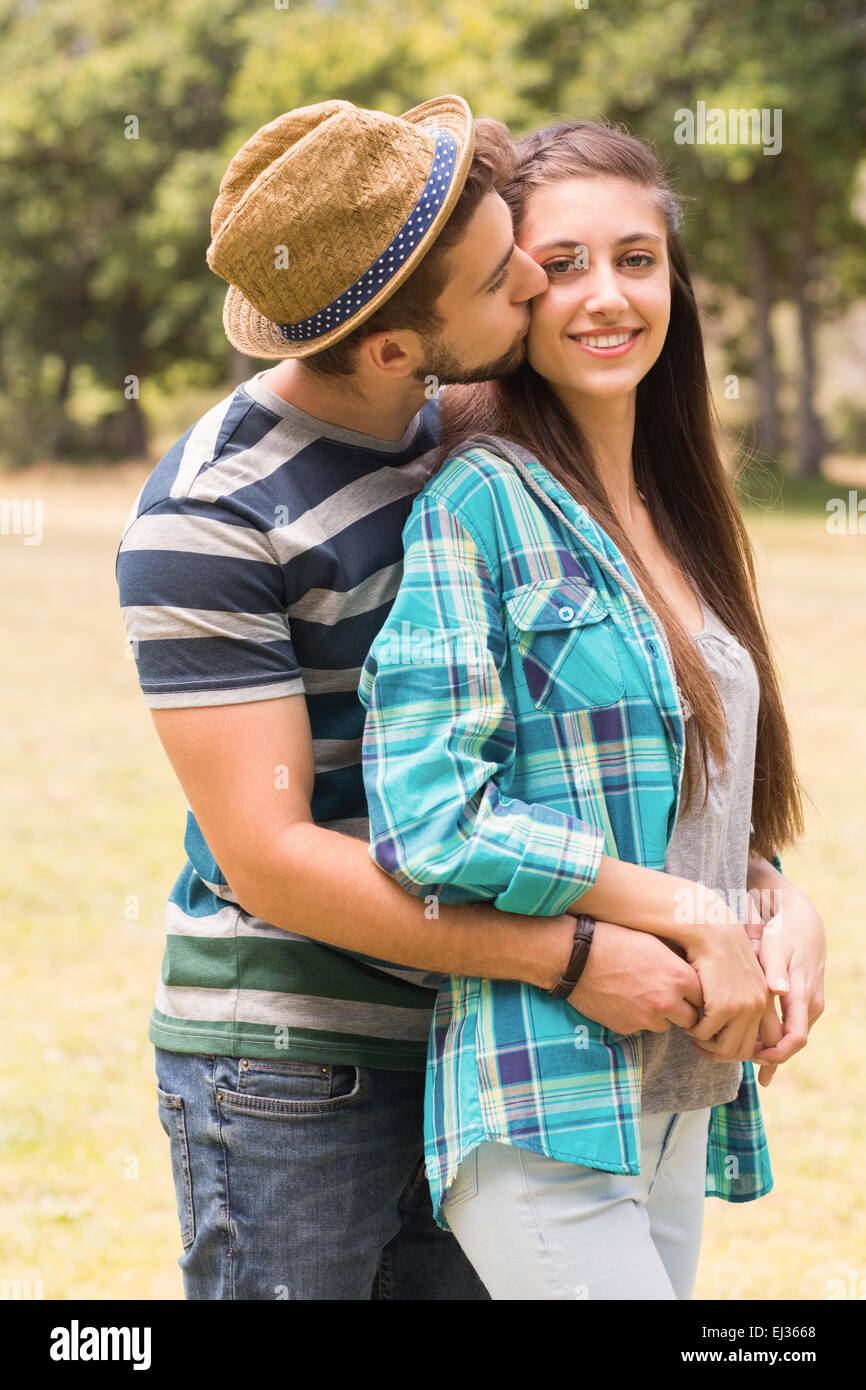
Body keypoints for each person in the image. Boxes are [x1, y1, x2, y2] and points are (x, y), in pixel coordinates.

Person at [115, 96, 716, 1301]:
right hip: (296, 1063)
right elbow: (271, 859)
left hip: (479, 1043)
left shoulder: (475, 443)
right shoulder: (211, 515)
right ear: (393, 345)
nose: (537, 296)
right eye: (509, 279)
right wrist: (564, 954)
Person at [359, 118, 827, 1300]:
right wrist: (688, 912)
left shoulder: (677, 514)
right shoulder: (476, 504)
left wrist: (771, 898)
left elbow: (672, 788)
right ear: (509, 293)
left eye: (636, 257)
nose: (605, 296)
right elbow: (431, 814)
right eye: (559, 265)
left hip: (677, 1097)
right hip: (542, 1092)